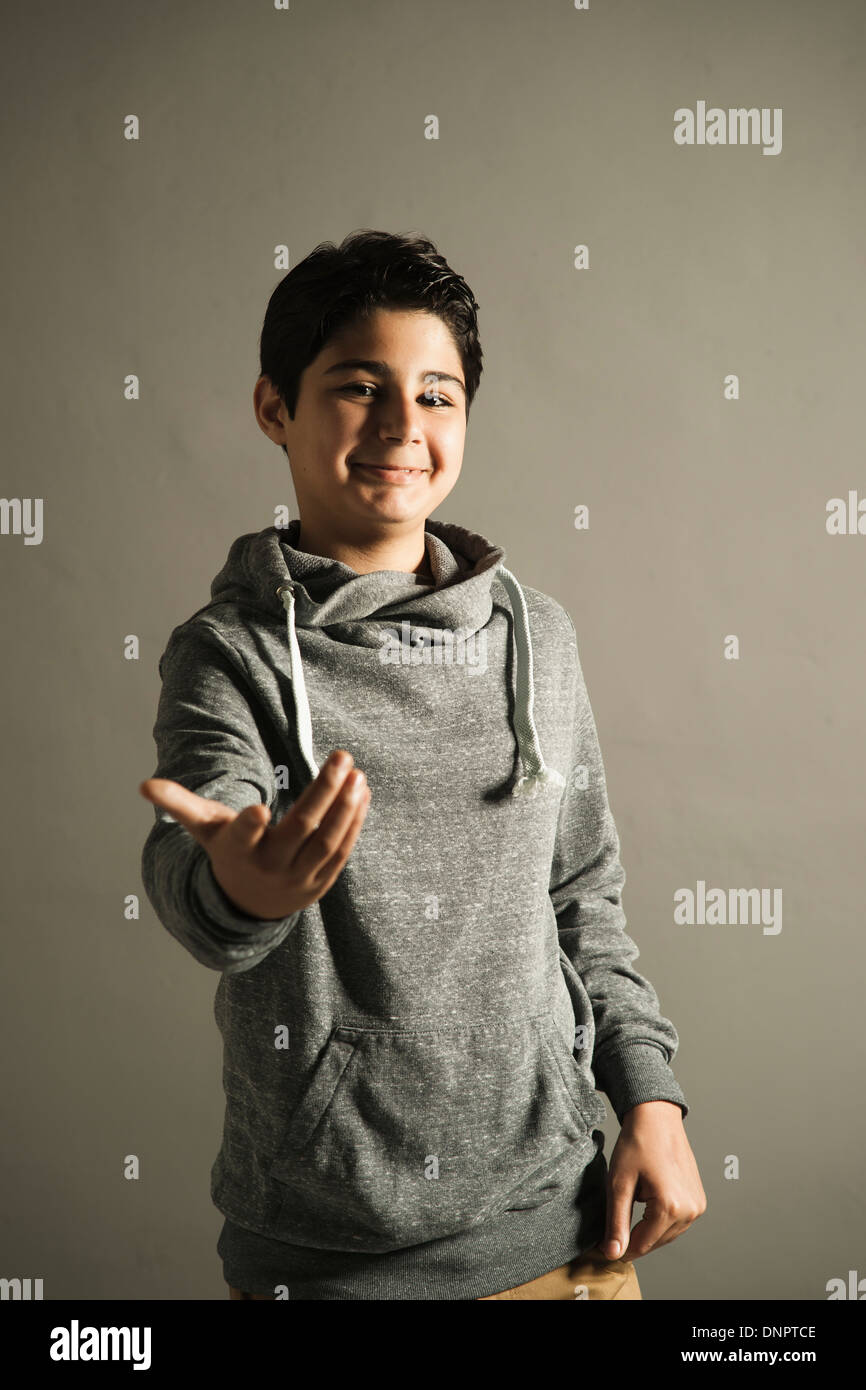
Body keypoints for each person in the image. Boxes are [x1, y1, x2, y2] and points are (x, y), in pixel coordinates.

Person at [139, 229, 706, 1301]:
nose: (404, 426)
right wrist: (236, 887)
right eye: (360, 387)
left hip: (570, 1237)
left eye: (437, 395)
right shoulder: (231, 651)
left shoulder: (536, 635)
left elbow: (580, 897)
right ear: (276, 408)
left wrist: (651, 1099)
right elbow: (194, 853)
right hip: (332, 1264)